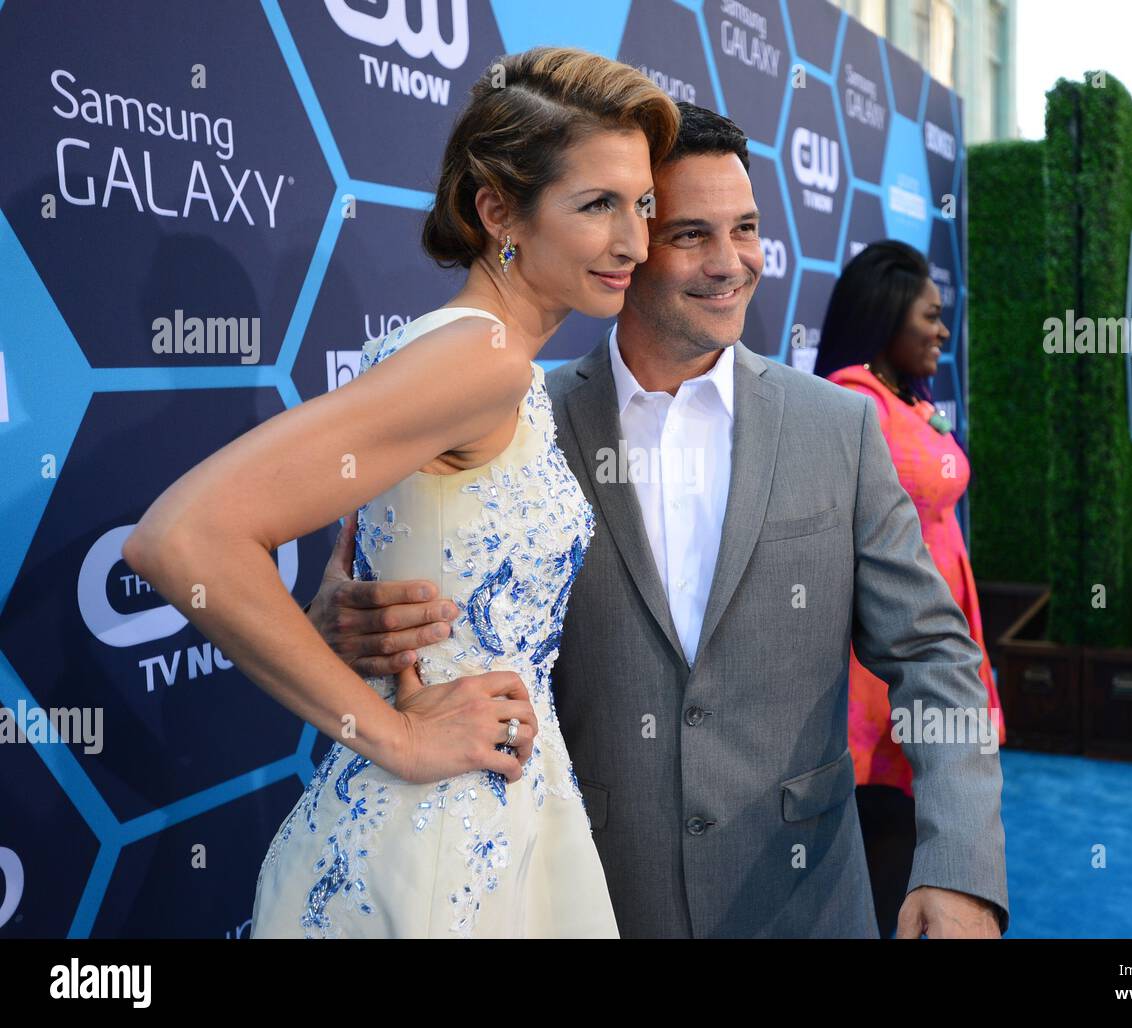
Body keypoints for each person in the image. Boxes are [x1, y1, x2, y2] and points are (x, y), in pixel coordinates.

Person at [308, 102, 1009, 938]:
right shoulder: (520, 422)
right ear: (629, 247)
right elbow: (432, 620)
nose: (732, 264)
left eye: (745, 229)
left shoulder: (839, 429)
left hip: (804, 902)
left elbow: (933, 650)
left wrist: (960, 861)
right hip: (591, 896)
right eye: (690, 235)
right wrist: (340, 628)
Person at [122, 46, 680, 938]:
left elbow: (396, 558)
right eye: (598, 205)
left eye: (641, 205)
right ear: (498, 209)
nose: (634, 243)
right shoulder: (480, 359)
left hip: (483, 821)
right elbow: (181, 537)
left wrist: (329, 618)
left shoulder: (484, 358)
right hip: (436, 842)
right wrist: (402, 739)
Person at [811, 239, 1005, 938]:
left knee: (926, 797)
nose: (943, 331)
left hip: (941, 623)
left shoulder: (906, 401)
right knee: (886, 806)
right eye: (930, 314)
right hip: (883, 650)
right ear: (887, 313)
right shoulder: (845, 400)